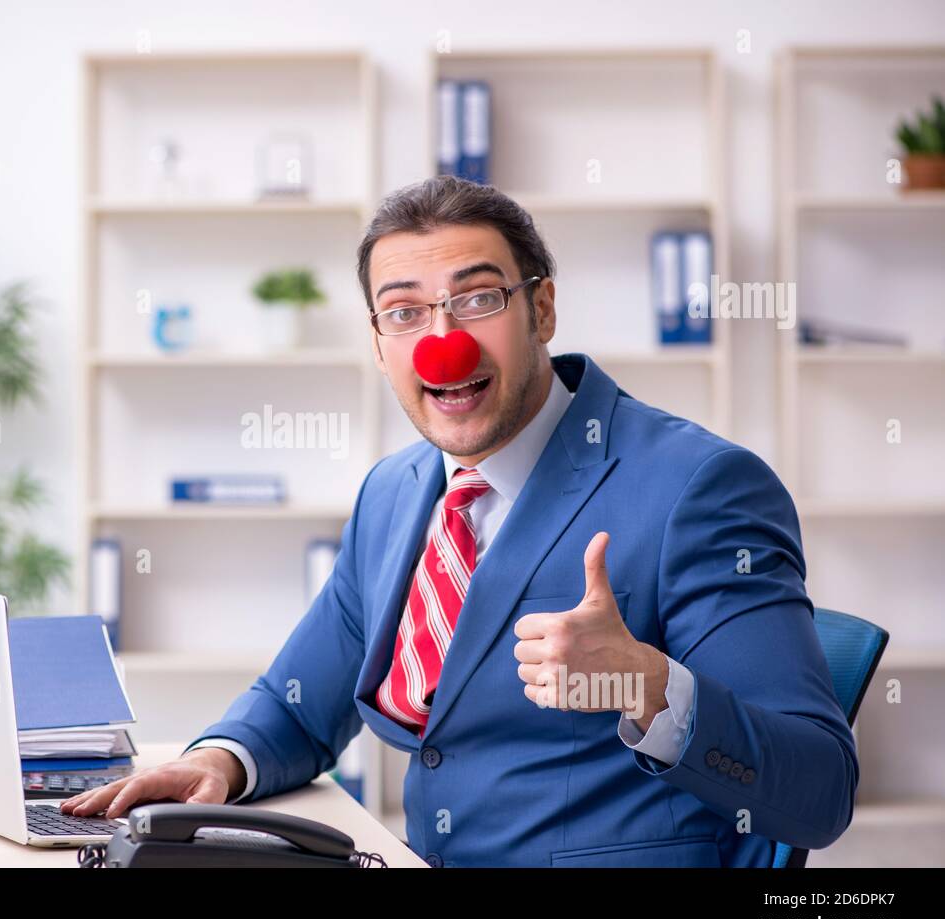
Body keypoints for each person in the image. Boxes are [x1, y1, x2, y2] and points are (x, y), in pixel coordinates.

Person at [62, 175, 857, 867]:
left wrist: (648, 687)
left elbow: (818, 788)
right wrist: (218, 762)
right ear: (378, 345)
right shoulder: (395, 490)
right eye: (403, 312)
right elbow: (303, 700)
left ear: (542, 308)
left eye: (477, 299)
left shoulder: (699, 487)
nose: (442, 344)